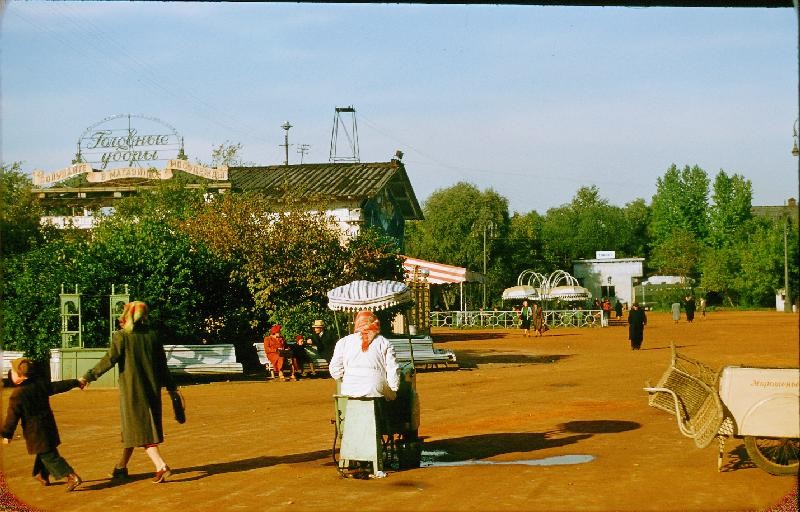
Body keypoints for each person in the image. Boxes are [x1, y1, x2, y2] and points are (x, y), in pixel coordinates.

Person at [79, 301, 177, 483]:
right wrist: (172, 388)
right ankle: (121, 467)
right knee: (133, 429)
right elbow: (163, 367)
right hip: (152, 390)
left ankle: (161, 466)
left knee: (141, 430)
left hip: (133, 392)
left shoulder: (122, 336)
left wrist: (88, 376)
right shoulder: (153, 336)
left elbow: (108, 360)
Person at [2, 358, 83, 491]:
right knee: (45, 451)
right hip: (48, 425)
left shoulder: (17, 395)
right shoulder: (39, 384)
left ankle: (71, 476)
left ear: (20, 376)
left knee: (49, 455)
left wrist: (6, 434)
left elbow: (12, 417)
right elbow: (58, 386)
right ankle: (42, 475)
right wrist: (75, 382)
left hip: (35, 432)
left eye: (13, 372)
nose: (10, 374)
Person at [329, 310, 400, 400]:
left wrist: (345, 378)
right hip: (375, 387)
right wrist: (394, 389)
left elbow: (334, 369)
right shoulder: (384, 342)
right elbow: (392, 368)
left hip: (349, 388)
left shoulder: (344, 341)